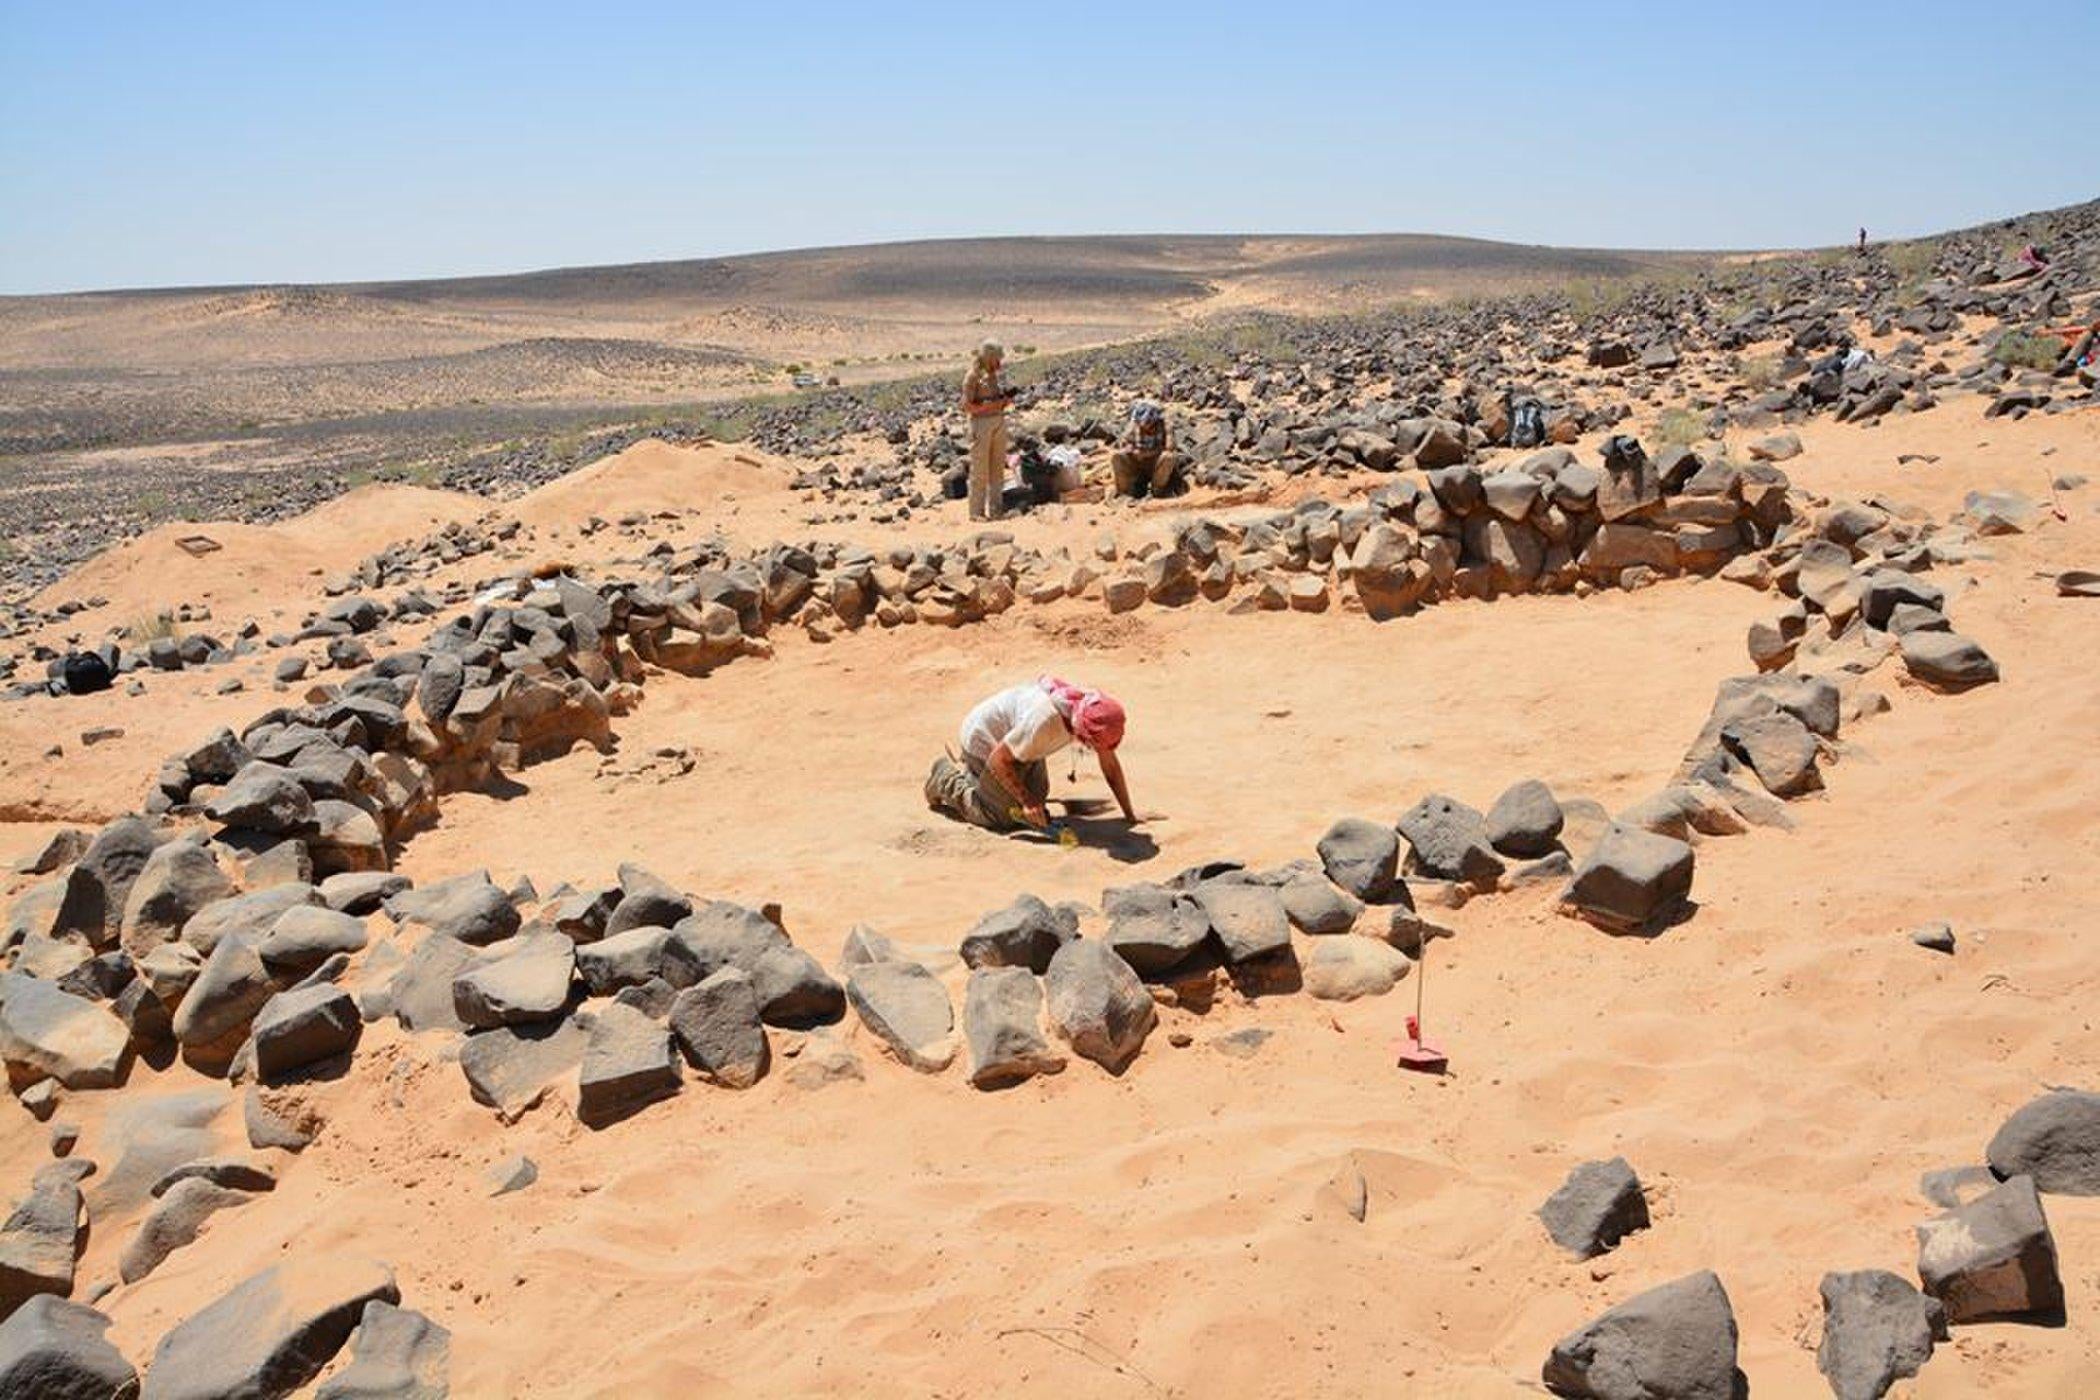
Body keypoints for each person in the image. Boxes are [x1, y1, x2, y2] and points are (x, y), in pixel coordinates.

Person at [925, 676, 1137, 833]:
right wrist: (1027, 802)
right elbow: (998, 759)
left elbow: (1109, 764)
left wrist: (1130, 815)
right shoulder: (1045, 722)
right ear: (1083, 730)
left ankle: (984, 784)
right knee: (1001, 817)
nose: (1094, 749)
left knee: (1038, 802)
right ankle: (946, 778)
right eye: (1092, 744)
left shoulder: (1091, 711)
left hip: (1021, 747)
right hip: (984, 743)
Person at [961, 340, 1014, 521]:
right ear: (988, 357)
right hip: (981, 425)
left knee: (997, 469)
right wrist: (992, 406)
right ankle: (976, 512)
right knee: (980, 470)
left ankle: (996, 509)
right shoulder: (972, 376)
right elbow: (967, 406)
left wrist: (1003, 402)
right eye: (996, 359)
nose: (999, 363)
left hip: (999, 422)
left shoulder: (994, 376)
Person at [1109, 400, 1186, 500]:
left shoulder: (1164, 425)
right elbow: (1123, 442)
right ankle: (1124, 492)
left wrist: (1148, 453)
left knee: (1168, 457)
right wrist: (1129, 448)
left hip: (1155, 464)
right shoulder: (1134, 425)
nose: (1143, 426)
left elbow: (1170, 448)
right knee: (1117, 456)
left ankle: (1157, 491)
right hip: (1137, 462)